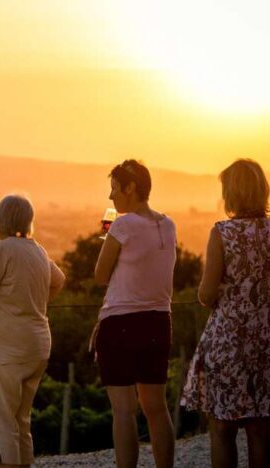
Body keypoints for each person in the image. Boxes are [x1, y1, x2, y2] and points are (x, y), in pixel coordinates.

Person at [182, 159, 270, 468]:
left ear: (231, 193)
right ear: (262, 191)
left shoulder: (222, 233)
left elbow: (206, 295)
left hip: (230, 340)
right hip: (268, 338)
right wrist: (263, 295)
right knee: (261, 428)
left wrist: (232, 295)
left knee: (222, 427)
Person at [0, 194, 66, 468]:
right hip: (36, 346)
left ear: (1, 221)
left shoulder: (1, 250)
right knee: (20, 421)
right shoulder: (37, 250)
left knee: (0, 425)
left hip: (3, 350)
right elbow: (59, 280)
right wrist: (31, 303)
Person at [93, 159, 177, 468]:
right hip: (158, 322)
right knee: (156, 408)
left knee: (124, 411)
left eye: (114, 188)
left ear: (130, 187)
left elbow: (100, 275)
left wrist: (108, 244)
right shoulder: (168, 224)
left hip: (121, 325)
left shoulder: (123, 224)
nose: (110, 196)